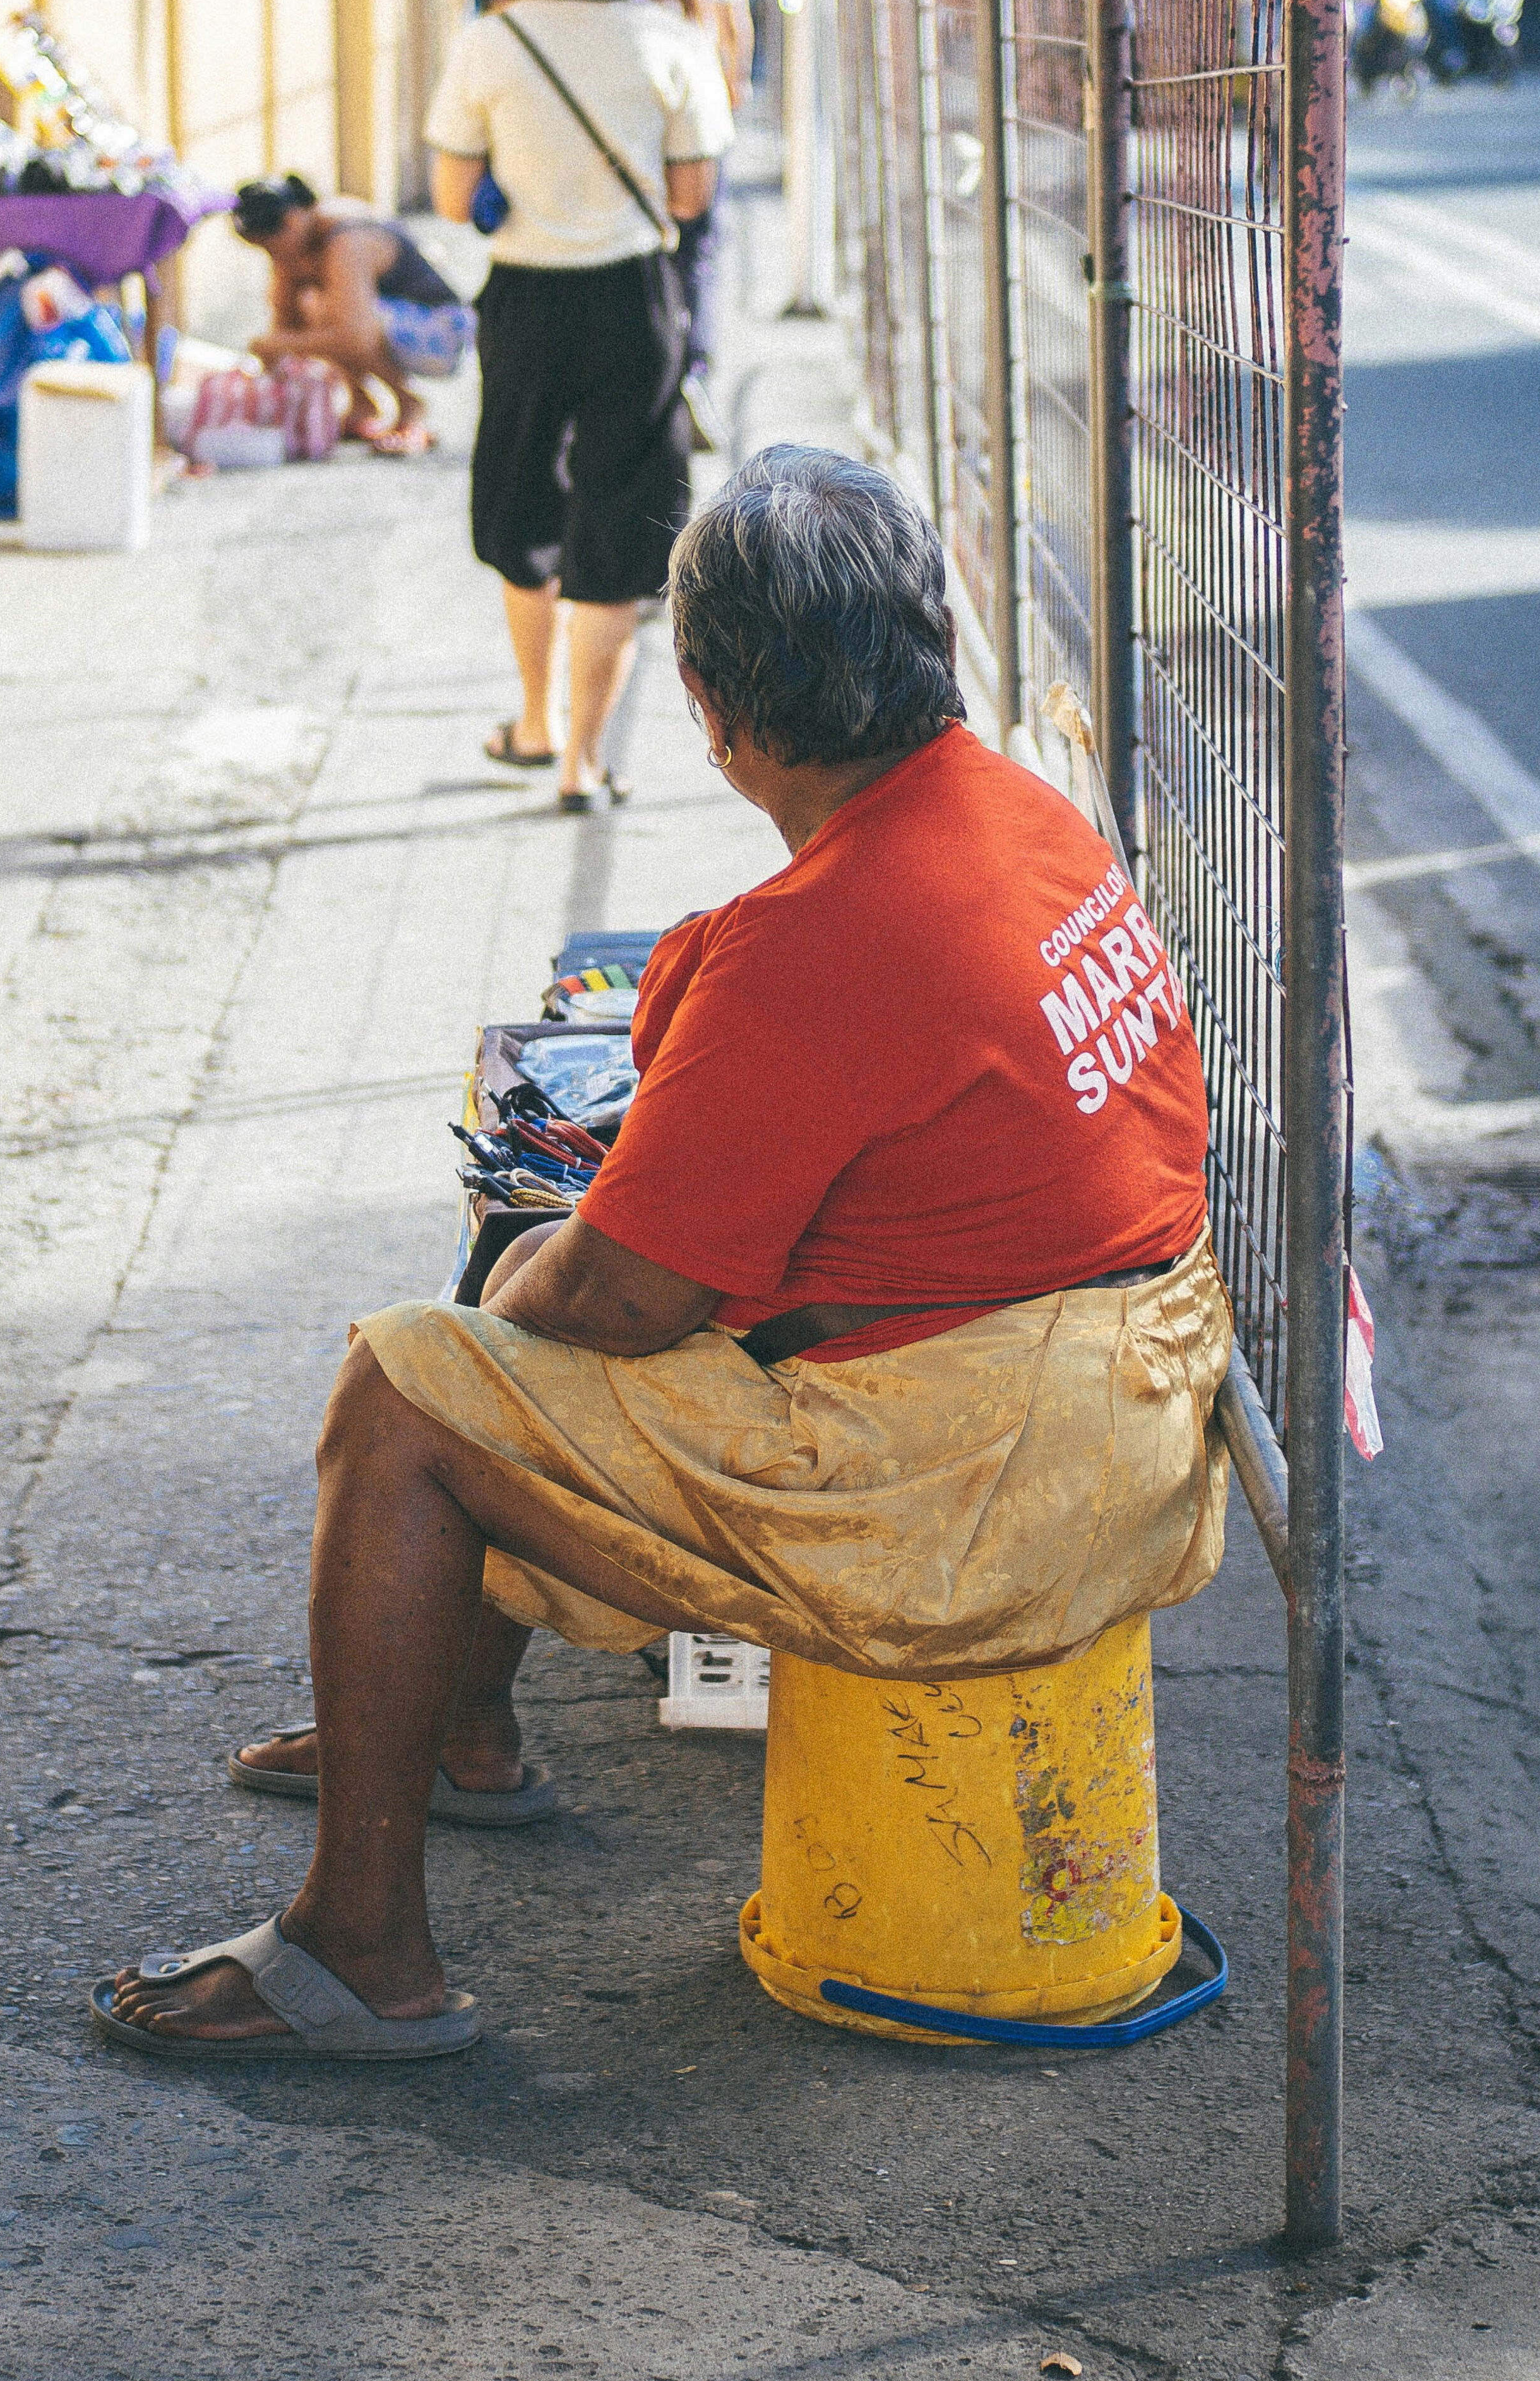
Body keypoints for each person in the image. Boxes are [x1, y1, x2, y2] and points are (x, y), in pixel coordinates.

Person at [94, 446, 1234, 2062]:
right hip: (1125, 1420)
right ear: (925, 638)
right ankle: (460, 1726)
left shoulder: (809, 946)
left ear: (709, 708)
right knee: (506, 1330)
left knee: (410, 1391)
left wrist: (512, 1276)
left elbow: (619, 1295)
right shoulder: (1022, 815)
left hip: (981, 1488)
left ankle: (360, 1948)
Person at [422, 0, 734, 811]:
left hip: (524, 298)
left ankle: (532, 718)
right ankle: (584, 763)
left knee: (522, 510)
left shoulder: (488, 43)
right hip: (632, 303)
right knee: (619, 516)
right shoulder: (670, 41)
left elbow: (448, 195)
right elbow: (691, 199)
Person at [611, 0, 752, 378]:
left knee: (632, 240)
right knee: (697, 242)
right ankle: (692, 373)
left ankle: (642, 367)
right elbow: (733, 23)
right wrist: (731, 92)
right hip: (695, 106)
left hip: (625, 103)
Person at [230, 178, 459, 451]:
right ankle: (361, 406)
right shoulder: (300, 239)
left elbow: (354, 336)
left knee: (326, 312)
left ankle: (410, 404)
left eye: (271, 246)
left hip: (442, 332)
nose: (272, 256)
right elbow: (285, 321)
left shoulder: (346, 236)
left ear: (292, 221)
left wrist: (278, 345)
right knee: (315, 309)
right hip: (391, 320)